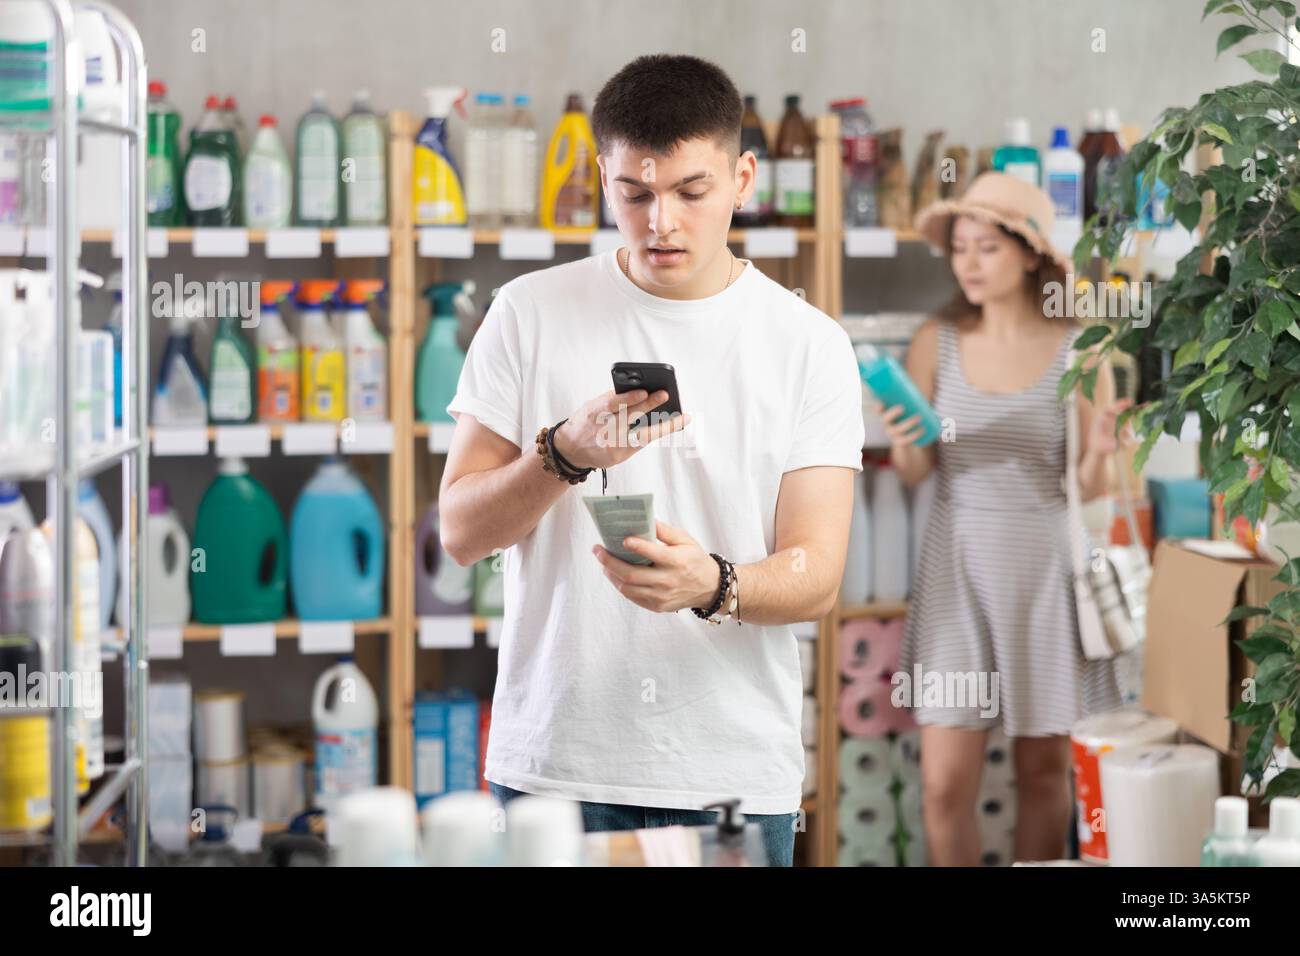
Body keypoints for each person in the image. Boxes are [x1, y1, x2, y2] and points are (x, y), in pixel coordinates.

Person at [437, 54, 865, 867]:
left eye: (690, 192)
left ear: (743, 177)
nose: (660, 221)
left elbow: (819, 573)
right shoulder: (529, 312)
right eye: (635, 193)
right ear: (604, 179)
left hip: (728, 776)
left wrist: (714, 584)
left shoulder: (808, 344)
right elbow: (458, 532)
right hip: (554, 768)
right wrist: (561, 456)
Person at [889, 173, 1129, 865]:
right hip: (955, 565)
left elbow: (1090, 485)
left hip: (1048, 568)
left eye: (986, 246)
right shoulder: (936, 341)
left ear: (1031, 255)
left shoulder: (1083, 347)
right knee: (943, 784)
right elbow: (916, 472)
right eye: (959, 247)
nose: (967, 261)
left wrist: (1103, 452)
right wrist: (906, 433)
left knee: (1044, 774)